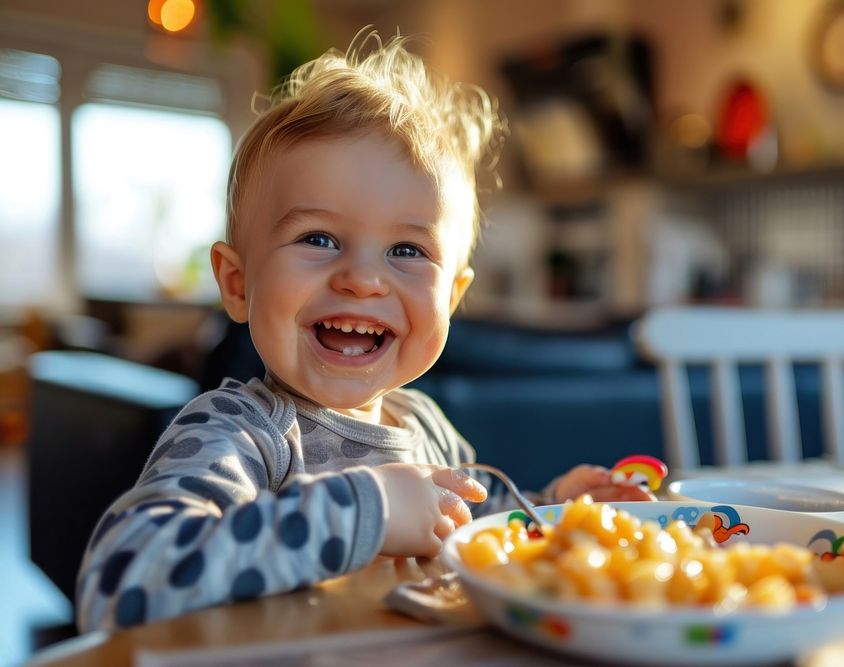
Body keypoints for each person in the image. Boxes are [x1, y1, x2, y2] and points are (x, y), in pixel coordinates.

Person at [76, 30, 656, 633]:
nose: (362, 279)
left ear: (452, 299)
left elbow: (477, 526)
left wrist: (556, 511)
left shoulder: (427, 428)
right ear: (238, 283)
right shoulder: (241, 434)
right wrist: (361, 514)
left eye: (407, 249)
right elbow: (119, 585)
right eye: (319, 239)